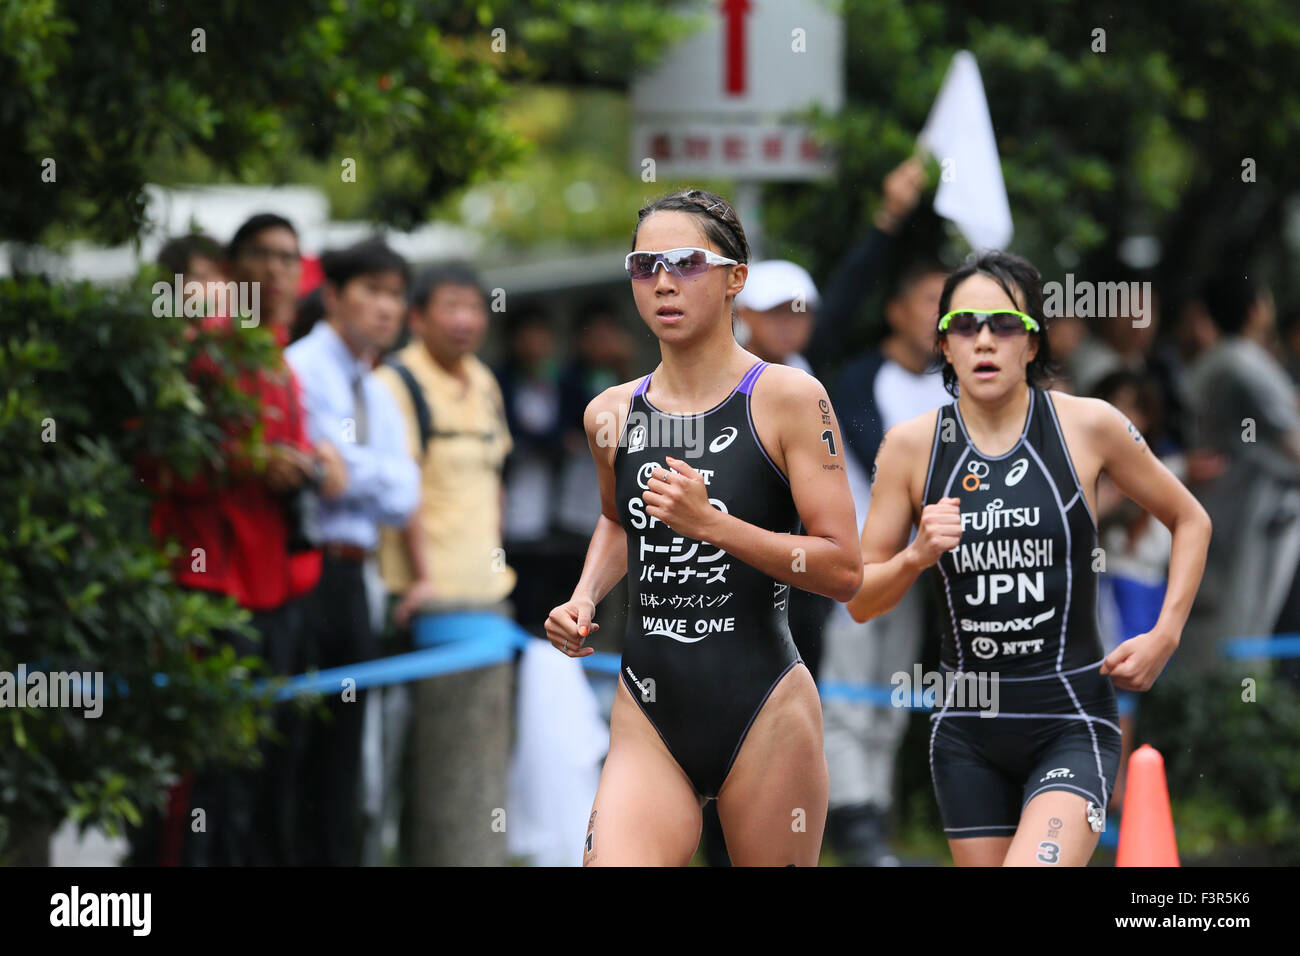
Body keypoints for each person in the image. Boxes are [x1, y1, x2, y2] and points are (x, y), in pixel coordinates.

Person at [848, 250, 1210, 866]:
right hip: (966, 730)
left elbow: (1190, 518)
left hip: (1071, 718)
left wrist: (1165, 633)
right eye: (965, 325)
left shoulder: (1089, 426)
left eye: (1005, 325)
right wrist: (916, 556)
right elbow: (859, 599)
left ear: (1033, 344)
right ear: (944, 344)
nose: (984, 340)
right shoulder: (909, 447)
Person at [545, 188, 863, 866]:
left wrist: (712, 526)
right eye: (643, 264)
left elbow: (842, 569)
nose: (662, 281)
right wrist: (583, 595)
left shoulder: (788, 398)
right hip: (649, 711)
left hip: (764, 706)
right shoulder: (611, 412)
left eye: (686, 262)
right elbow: (616, 519)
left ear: (734, 280)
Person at [285, 238, 420, 866]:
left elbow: (405, 494)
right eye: (371, 290)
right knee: (293, 748)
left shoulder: (378, 386)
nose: (387, 308)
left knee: (345, 750)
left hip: (354, 579)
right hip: (301, 571)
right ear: (333, 295)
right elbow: (319, 468)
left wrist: (352, 472)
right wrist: (369, 474)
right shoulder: (301, 368)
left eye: (395, 294)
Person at [818, 260, 952, 865]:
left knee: (895, 686)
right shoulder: (857, 380)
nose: (939, 315)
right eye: (929, 300)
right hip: (858, 564)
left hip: (919, 565)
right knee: (847, 685)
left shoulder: (954, 386)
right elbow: (881, 459)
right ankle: (849, 814)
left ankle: (876, 812)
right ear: (895, 310)